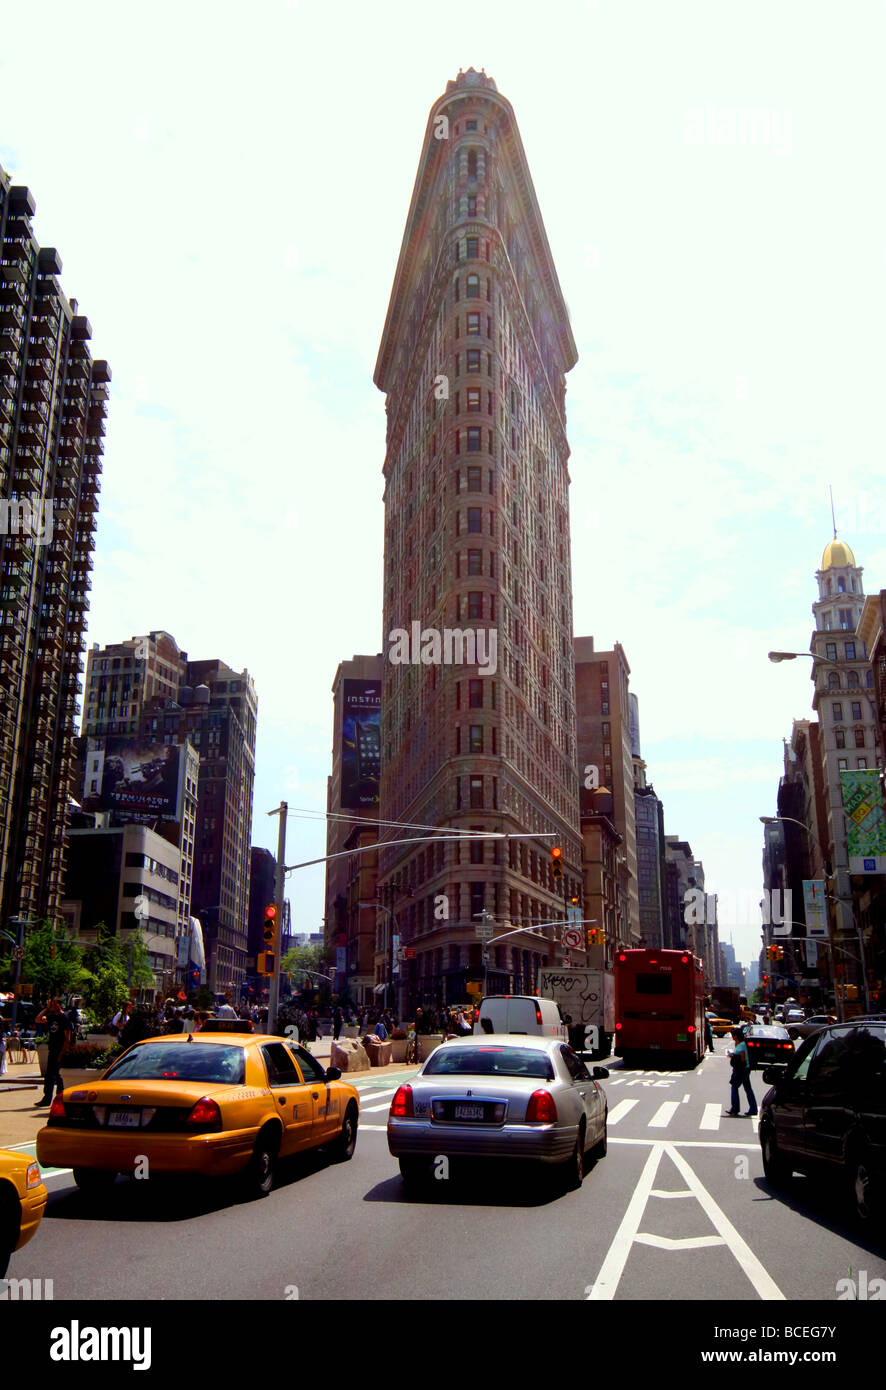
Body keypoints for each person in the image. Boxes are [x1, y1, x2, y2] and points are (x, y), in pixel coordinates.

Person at [34, 998, 72, 1107]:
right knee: (49, 1075)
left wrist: (62, 1053)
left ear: (60, 1005)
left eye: (55, 1004)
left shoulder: (64, 1018)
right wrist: (46, 1008)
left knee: (59, 1077)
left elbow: (67, 1038)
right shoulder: (51, 1017)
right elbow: (38, 1019)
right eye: (52, 1005)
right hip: (52, 1049)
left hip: (60, 1050)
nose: (53, 1006)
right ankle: (46, 1099)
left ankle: (59, 1099)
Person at [725, 1028, 757, 1117]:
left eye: (733, 1035)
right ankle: (753, 1109)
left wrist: (733, 1057)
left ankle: (735, 1108)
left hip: (741, 1069)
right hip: (744, 1069)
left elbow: (742, 1058)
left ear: (736, 1036)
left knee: (734, 1087)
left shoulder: (742, 1045)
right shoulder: (739, 1044)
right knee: (748, 1089)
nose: (732, 1037)